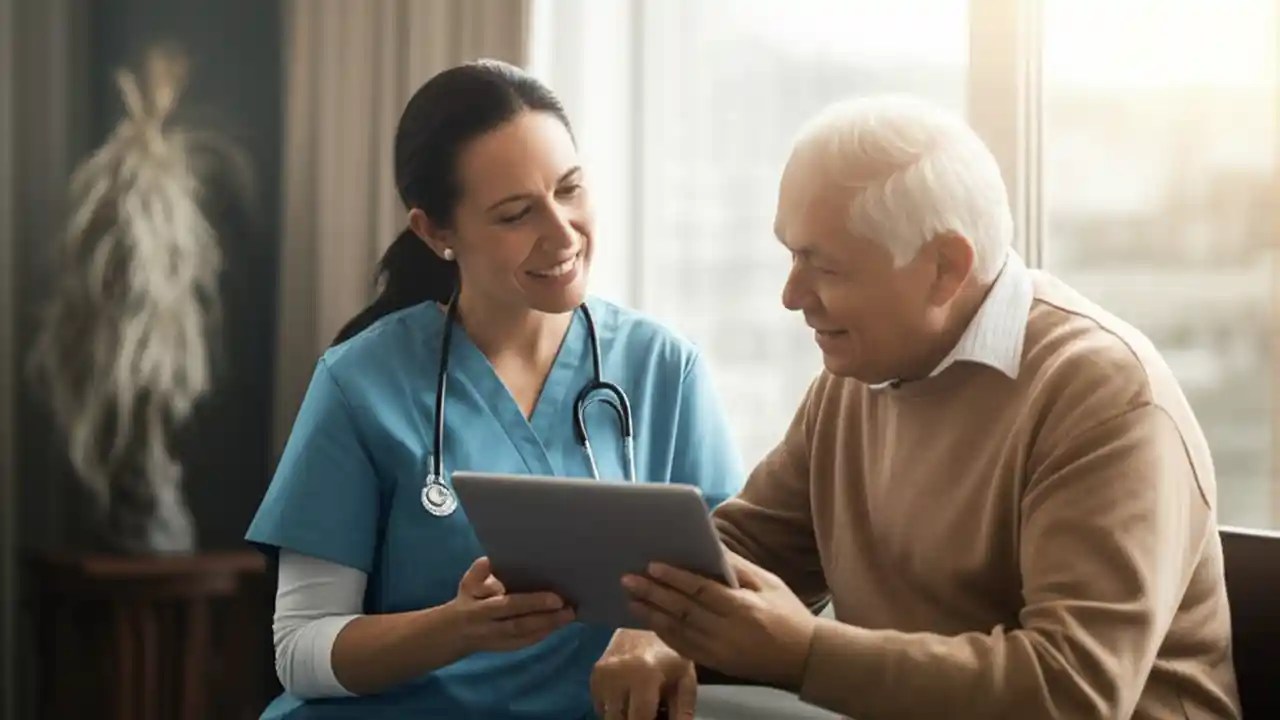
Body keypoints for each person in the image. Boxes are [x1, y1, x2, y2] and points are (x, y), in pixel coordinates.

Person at [611, 96, 1241, 719]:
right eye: (791, 253)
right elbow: (749, 547)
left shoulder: (1105, 397)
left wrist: (804, 654)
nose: (791, 294)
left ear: (945, 268)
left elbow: (1073, 691)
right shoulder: (863, 370)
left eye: (824, 266)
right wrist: (653, 628)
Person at [246, 59, 743, 719]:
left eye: (570, 189)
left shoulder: (662, 370)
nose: (563, 234)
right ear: (435, 232)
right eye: (516, 214)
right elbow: (300, 647)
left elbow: (735, 584)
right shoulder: (360, 383)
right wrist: (454, 628)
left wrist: (657, 635)